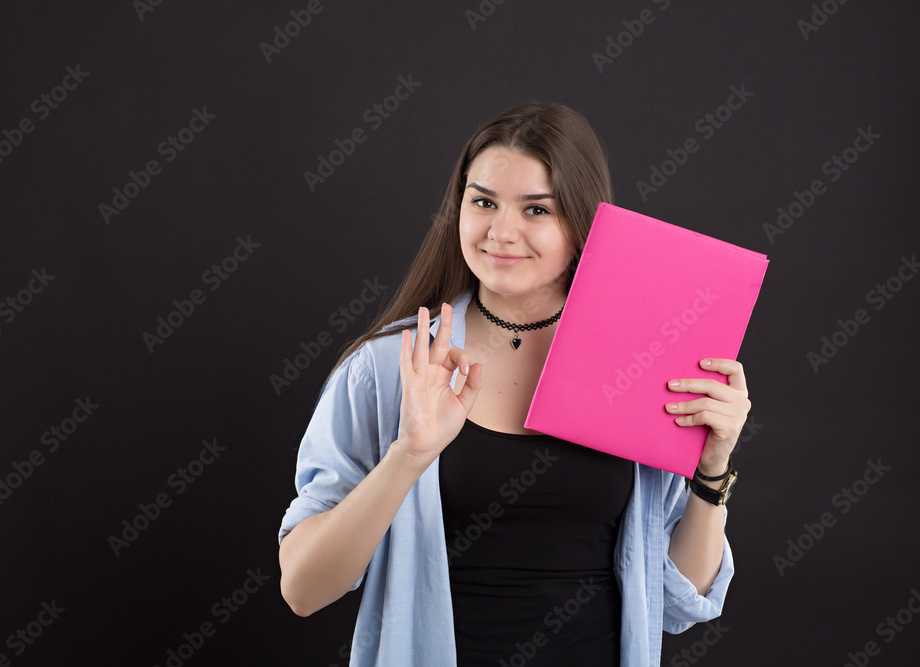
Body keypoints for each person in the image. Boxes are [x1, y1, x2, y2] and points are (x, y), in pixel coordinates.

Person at [278, 102, 748, 666]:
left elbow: (679, 601)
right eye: (483, 202)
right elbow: (303, 589)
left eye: (536, 209)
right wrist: (409, 454)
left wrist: (711, 468)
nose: (501, 232)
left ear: (584, 223)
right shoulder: (386, 369)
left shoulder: (643, 363)